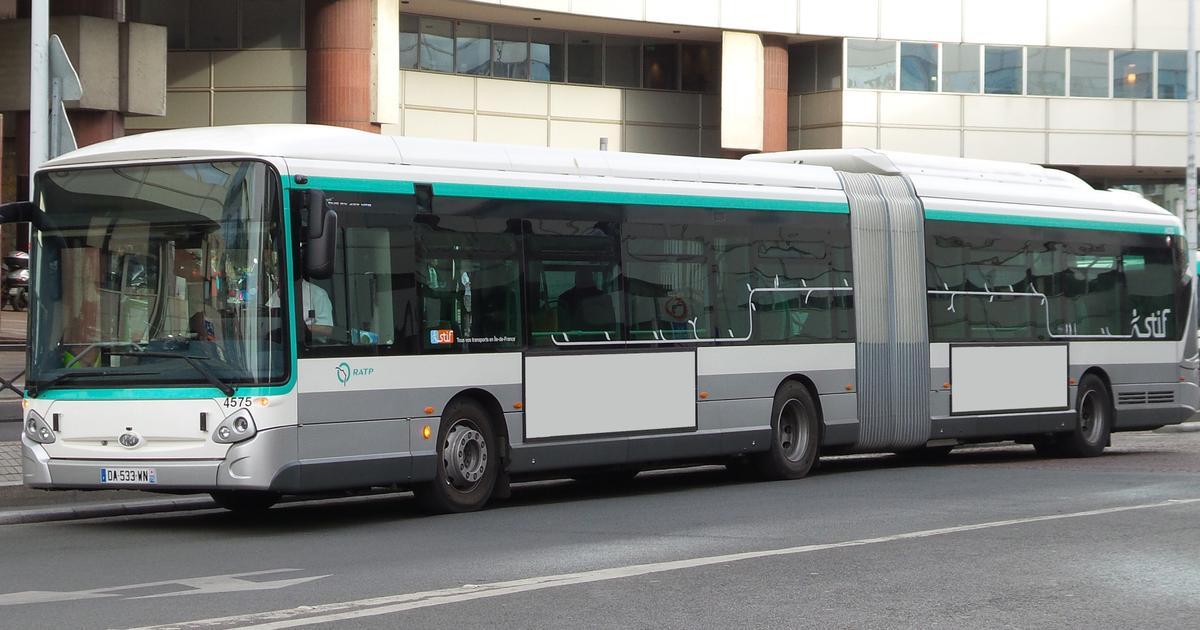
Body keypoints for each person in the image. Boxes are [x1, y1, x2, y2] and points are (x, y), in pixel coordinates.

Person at [268, 279, 334, 340]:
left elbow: (327, 329)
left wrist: (298, 328)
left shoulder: (317, 293)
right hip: (278, 342)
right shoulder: (277, 294)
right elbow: (267, 320)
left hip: (310, 343)